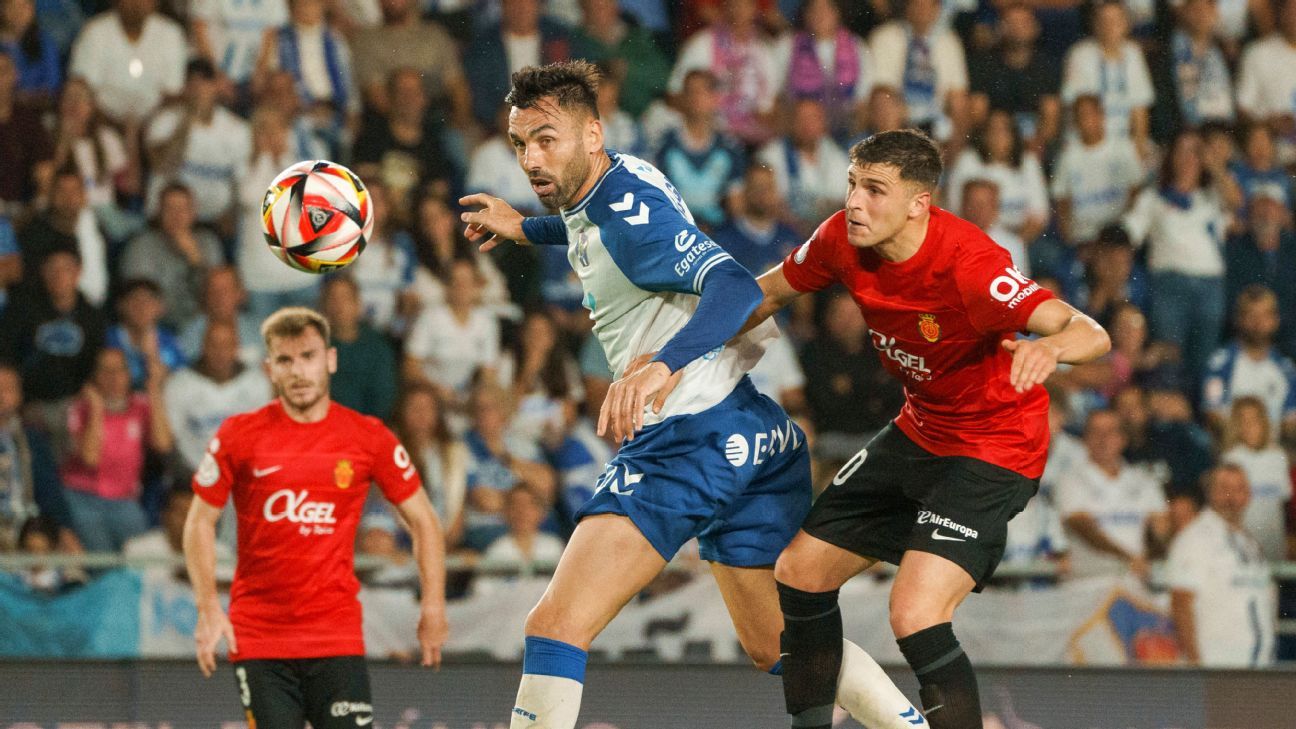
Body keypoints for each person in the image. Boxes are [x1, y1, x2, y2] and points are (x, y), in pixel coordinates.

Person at [460, 62, 919, 729]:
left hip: (687, 437)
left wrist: (661, 367)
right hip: (752, 427)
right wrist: (525, 227)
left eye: (546, 139)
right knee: (781, 644)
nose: (530, 157)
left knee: (556, 624)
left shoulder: (624, 212)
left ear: (592, 134)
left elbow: (733, 286)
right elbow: (591, 227)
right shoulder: (623, 177)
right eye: (519, 143)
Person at [716, 128, 1109, 729]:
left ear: (918, 203)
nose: (854, 202)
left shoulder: (971, 268)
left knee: (915, 612)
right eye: (852, 184)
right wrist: (673, 354)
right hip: (920, 430)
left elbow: (1090, 331)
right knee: (799, 572)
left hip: (994, 449)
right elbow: (765, 294)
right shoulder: (841, 240)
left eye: (875, 190)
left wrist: (1053, 348)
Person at [182, 307, 448, 727]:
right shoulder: (238, 435)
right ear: (270, 369)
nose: (298, 371)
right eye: (285, 360)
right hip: (260, 638)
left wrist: (433, 606)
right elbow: (199, 521)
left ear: (330, 360)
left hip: (335, 634)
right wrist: (207, 607)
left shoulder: (368, 437)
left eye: (308, 356)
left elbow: (425, 521)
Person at [61, 347, 171, 552]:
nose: (113, 378)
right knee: (102, 567)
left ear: (128, 374)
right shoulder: (79, 408)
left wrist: (154, 390)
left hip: (125, 500)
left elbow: (163, 444)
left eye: (119, 370)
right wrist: (96, 409)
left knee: (139, 561)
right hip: (84, 498)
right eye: (105, 371)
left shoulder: (140, 406)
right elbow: (90, 458)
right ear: (94, 376)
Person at [1166, 464, 1276, 667]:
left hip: (1257, 665)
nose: (1232, 497)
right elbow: (1181, 603)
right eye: (1224, 488)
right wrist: (1195, 666)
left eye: (1240, 489)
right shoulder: (1195, 537)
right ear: (1211, 493)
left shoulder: (1249, 543)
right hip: (1217, 667)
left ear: (1249, 495)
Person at [1056, 409, 1170, 579]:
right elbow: (1083, 528)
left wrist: (1149, 556)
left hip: (1137, 580)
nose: (1103, 439)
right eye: (1095, 432)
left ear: (1123, 439)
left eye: (1111, 432)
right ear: (1085, 439)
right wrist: (1127, 557)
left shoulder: (1144, 480)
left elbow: (1160, 527)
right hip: (1089, 582)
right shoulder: (1070, 480)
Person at [164, 321, 270, 476]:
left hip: (244, 476)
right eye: (214, 345)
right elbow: (170, 440)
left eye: (226, 345)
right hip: (193, 477)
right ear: (203, 347)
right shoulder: (179, 384)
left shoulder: (257, 382)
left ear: (236, 348)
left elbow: (263, 438)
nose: (220, 352)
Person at [118, 183, 225, 330]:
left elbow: (217, 297)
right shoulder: (140, 246)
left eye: (182, 209)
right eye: (170, 209)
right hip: (155, 325)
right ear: (159, 213)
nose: (177, 216)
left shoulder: (208, 242)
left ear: (193, 213)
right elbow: (138, 299)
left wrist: (196, 261)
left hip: (200, 324)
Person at [67, 0, 186, 125]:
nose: (137, 4)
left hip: (153, 121)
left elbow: (173, 93)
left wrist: (141, 128)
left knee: (174, 120)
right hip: (101, 120)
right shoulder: (95, 31)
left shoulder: (171, 34)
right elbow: (82, 86)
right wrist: (113, 125)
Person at [1060, 0, 1154, 156]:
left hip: (1124, 141)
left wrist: (1139, 149)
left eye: (1116, 21)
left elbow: (1140, 109)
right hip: (1089, 142)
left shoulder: (1133, 53)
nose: (1109, 27)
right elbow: (1080, 110)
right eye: (1103, 21)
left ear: (1126, 24)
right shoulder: (1080, 54)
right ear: (1094, 25)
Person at [1202, 285, 1296, 437]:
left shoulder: (1286, 369)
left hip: (1275, 451)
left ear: (1275, 320)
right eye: (1251, 316)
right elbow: (1213, 413)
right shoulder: (1221, 364)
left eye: (1265, 316)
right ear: (1239, 319)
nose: (1258, 323)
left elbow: (1291, 420)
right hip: (1232, 448)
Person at [1221, 396, 1293, 562]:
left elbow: (1284, 503)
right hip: (1242, 546)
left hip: (1274, 544)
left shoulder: (1277, 456)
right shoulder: (1231, 458)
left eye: (1254, 419)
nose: (1249, 426)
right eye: (1243, 420)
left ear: (1264, 422)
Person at [319, 274, 397, 420]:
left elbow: (383, 400)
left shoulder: (377, 346)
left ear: (357, 304)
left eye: (345, 298)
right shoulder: (313, 348)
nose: (339, 306)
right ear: (323, 306)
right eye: (332, 299)